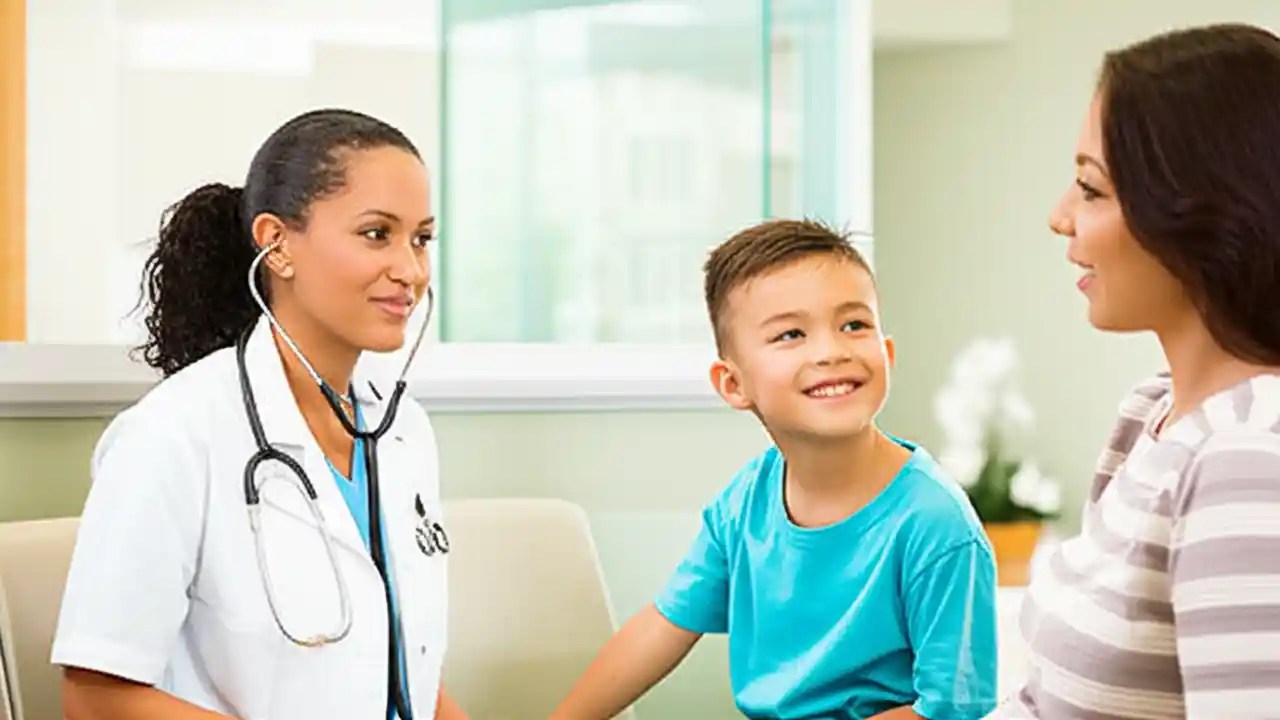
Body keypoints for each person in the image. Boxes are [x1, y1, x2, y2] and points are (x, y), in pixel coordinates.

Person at [51, 109, 468, 719]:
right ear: (277, 244)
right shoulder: (174, 434)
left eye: (422, 239)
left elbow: (404, 669)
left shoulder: (402, 430)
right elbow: (96, 698)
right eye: (377, 233)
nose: (410, 270)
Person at [551, 219, 999, 719]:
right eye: (791, 334)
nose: (831, 351)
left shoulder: (936, 524)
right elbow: (662, 626)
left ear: (887, 354)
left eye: (854, 324)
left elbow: (953, 710)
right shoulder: (745, 503)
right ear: (733, 384)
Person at [992, 23, 1280, 719]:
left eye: (1091, 189)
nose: (1060, 217)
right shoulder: (1150, 415)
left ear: (1202, 216)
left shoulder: (1247, 457)